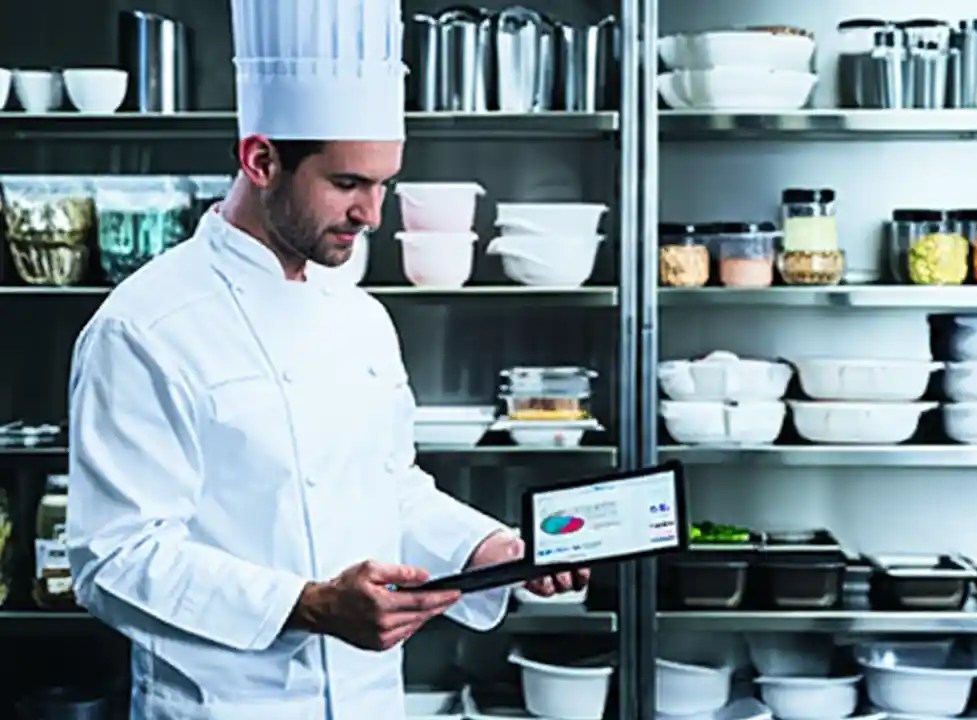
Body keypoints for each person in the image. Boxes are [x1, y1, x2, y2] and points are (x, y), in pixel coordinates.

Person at [65, 0, 586, 717]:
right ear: (262, 158)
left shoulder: (361, 316)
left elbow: (389, 488)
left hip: (370, 700)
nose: (372, 213)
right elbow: (114, 558)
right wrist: (307, 606)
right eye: (347, 183)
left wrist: (486, 550)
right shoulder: (145, 326)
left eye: (384, 184)